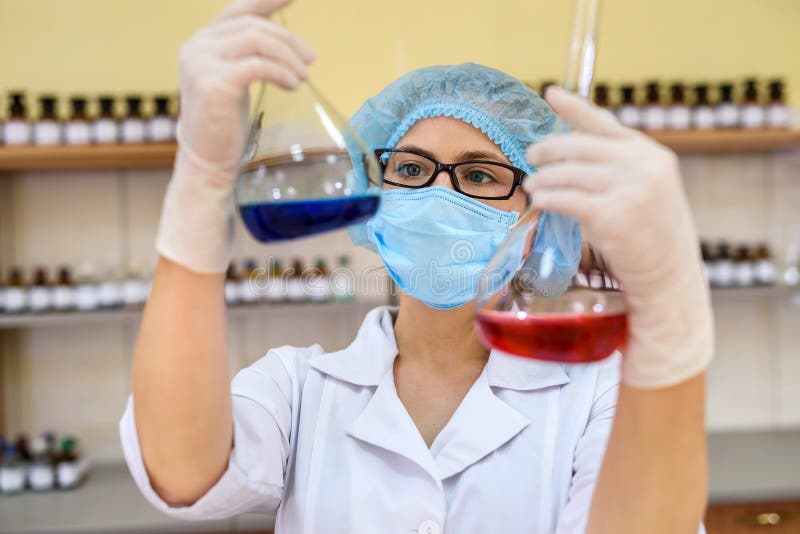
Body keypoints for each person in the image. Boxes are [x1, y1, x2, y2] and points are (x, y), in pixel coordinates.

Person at [119, 0, 714, 532]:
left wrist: (671, 307)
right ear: (373, 191)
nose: (438, 193)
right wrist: (201, 180)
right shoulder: (298, 389)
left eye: (480, 175)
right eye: (410, 169)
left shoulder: (597, 395)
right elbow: (180, 473)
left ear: (537, 216)